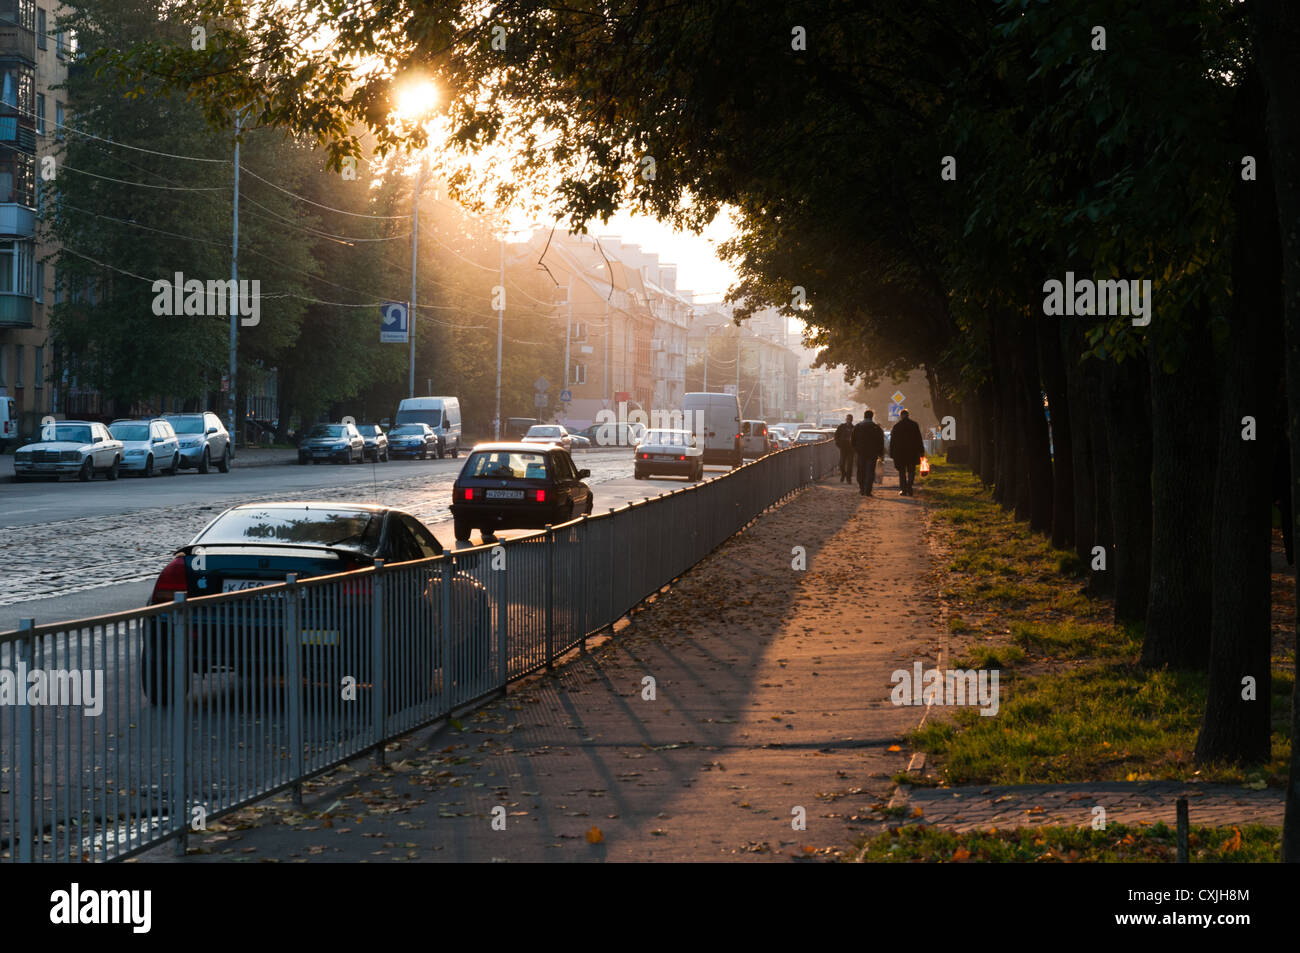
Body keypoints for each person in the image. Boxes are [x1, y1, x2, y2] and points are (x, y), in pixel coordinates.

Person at [890, 408, 924, 496]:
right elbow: (918, 439)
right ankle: (909, 487)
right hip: (912, 452)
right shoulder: (914, 425)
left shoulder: (897, 426)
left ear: (901, 416)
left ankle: (903, 489)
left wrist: (891, 453)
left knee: (902, 471)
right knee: (911, 470)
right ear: (908, 415)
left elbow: (892, 441)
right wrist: (921, 451)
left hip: (900, 453)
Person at [851, 410, 885, 496]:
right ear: (872, 416)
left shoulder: (858, 427)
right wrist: (880, 453)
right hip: (872, 453)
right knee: (870, 471)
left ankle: (862, 489)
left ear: (864, 416)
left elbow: (852, 441)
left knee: (861, 470)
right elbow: (881, 442)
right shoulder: (876, 428)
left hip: (861, 453)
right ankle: (868, 491)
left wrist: (856, 450)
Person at [833, 413, 855, 483]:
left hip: (851, 448)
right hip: (843, 447)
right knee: (841, 463)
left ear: (852, 420)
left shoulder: (854, 428)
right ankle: (843, 474)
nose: (849, 420)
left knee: (850, 464)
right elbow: (836, 435)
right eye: (848, 419)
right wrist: (838, 443)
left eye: (850, 419)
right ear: (846, 419)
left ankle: (848, 478)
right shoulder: (841, 427)